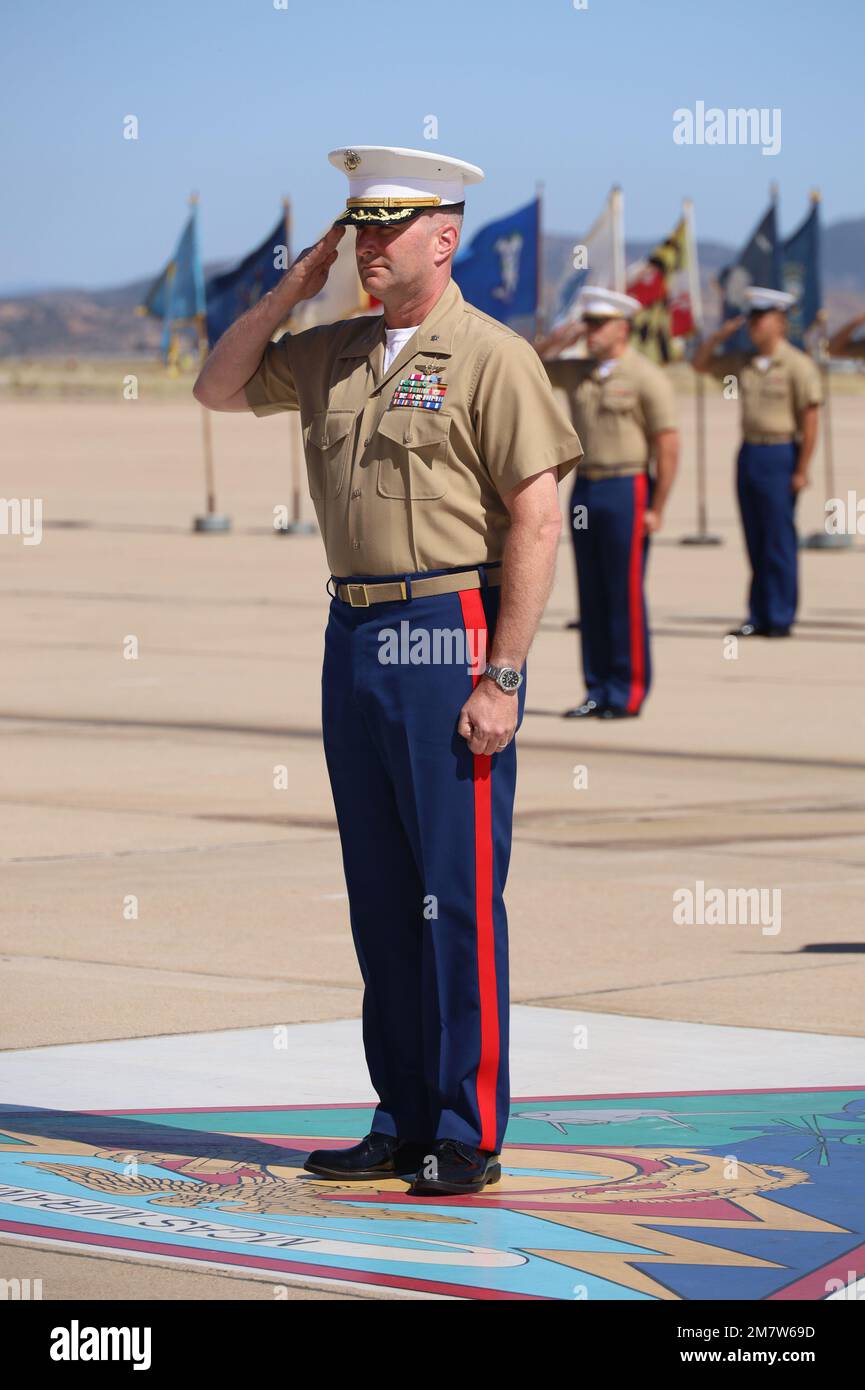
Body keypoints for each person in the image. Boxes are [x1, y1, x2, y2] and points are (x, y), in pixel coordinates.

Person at [193, 146, 583, 1197]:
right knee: (380, 896)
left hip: (451, 627)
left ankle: (466, 1127)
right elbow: (217, 382)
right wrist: (292, 282)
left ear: (443, 237)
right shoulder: (330, 351)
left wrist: (502, 673)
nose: (368, 246)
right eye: (356, 228)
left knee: (453, 893)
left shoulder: (493, 356)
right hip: (352, 631)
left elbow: (537, 516)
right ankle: (403, 1115)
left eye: (388, 228)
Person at [536, 287, 678, 718]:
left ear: (623, 328)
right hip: (587, 488)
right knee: (591, 592)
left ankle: (627, 690)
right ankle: (596, 688)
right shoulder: (580, 371)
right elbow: (529, 365)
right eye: (589, 323)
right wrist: (563, 336)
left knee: (623, 593)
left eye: (599, 324)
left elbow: (667, 444)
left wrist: (658, 506)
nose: (592, 332)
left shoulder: (645, 377)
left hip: (628, 486)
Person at [693, 287, 822, 638]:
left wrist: (801, 469)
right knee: (754, 537)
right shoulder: (744, 362)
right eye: (751, 319)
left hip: (781, 453)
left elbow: (810, 420)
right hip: (749, 452)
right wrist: (720, 336)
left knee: (778, 539)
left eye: (760, 319)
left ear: (780, 322)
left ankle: (780, 615)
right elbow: (700, 364)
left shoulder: (797, 365)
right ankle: (759, 612)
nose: (753, 326)